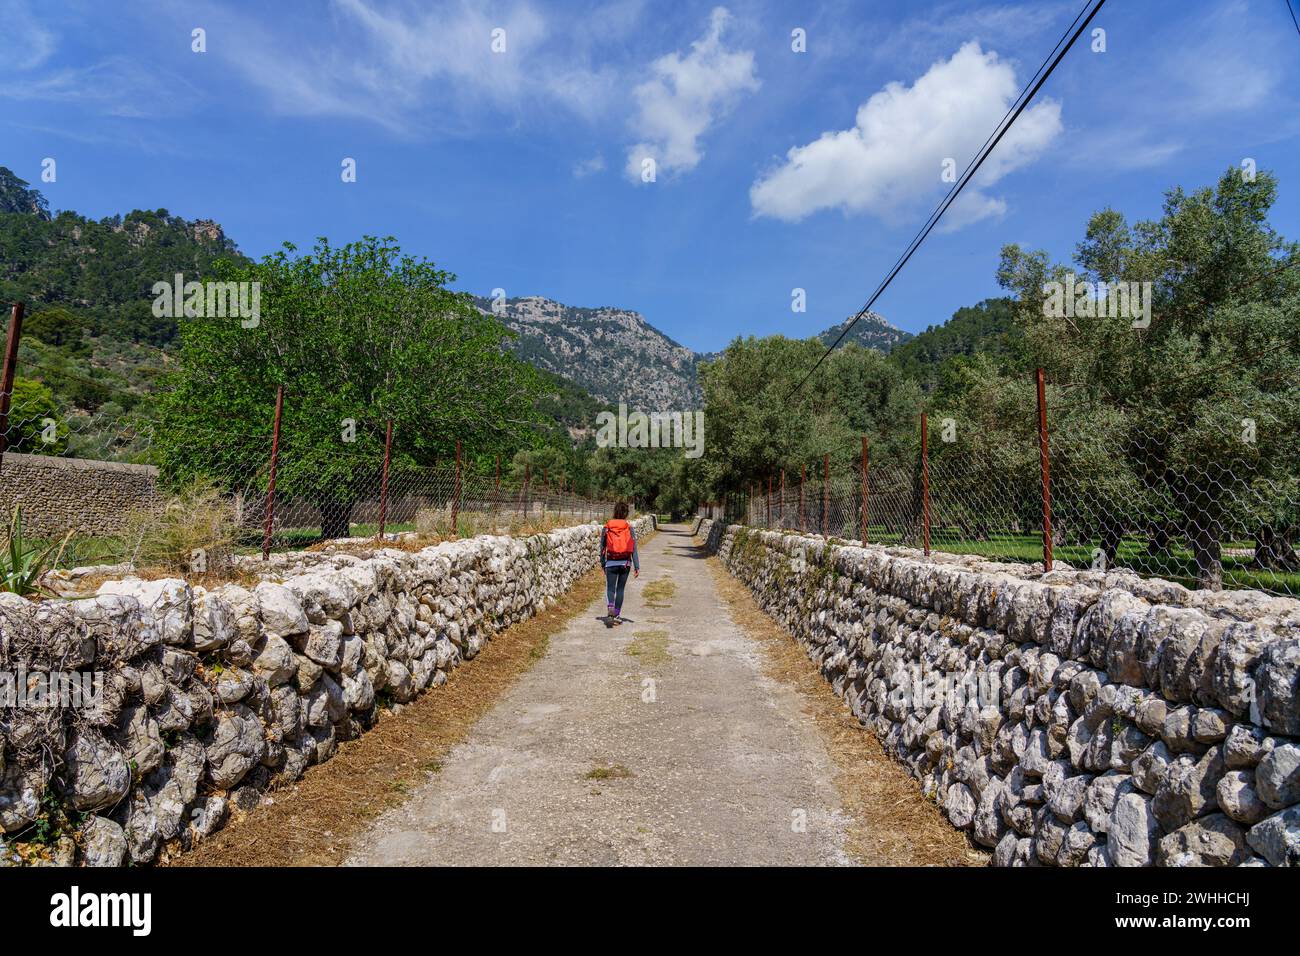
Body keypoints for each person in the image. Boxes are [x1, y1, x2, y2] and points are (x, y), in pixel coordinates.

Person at [600, 502, 639, 623]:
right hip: (625, 563)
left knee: (610, 589)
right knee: (620, 589)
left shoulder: (607, 527)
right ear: (626, 513)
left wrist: (603, 563)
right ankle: (616, 615)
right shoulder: (629, 527)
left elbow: (602, 547)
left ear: (614, 512)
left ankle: (610, 608)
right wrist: (637, 566)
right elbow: (634, 548)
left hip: (611, 562)